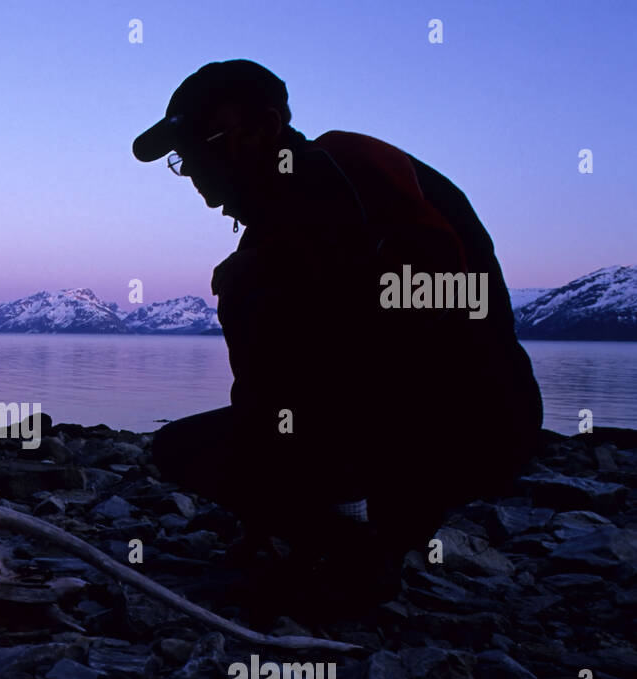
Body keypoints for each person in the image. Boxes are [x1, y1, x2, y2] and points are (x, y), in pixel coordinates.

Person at [133, 59, 542, 617]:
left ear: (265, 129)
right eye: (184, 158)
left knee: (242, 335)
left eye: (203, 146)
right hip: (416, 414)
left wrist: (277, 275)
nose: (195, 172)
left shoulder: (344, 173)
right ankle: (343, 536)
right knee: (191, 447)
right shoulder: (286, 216)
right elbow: (278, 376)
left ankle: (362, 553)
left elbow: (441, 303)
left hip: (471, 416)